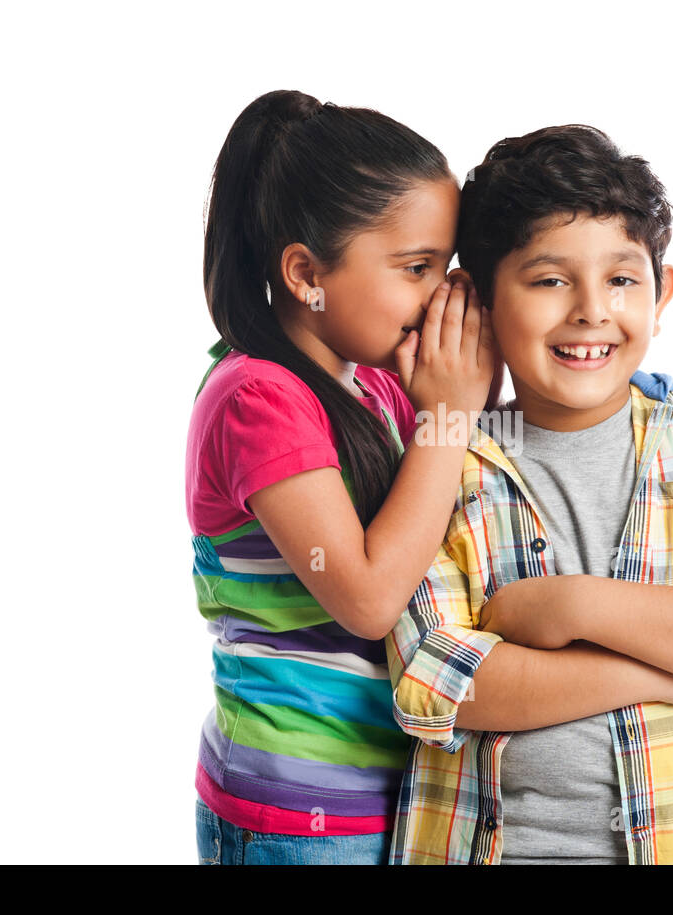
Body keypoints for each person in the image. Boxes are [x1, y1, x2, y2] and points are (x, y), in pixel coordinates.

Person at [385, 125, 673, 864]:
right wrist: (664, 671)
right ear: (480, 301)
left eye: (622, 279)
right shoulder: (444, 463)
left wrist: (574, 606)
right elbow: (438, 684)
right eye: (549, 280)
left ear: (663, 295)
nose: (592, 310)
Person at [187, 90, 498, 864]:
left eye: (446, 268)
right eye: (415, 268)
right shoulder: (258, 398)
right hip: (293, 818)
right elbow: (365, 597)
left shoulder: (379, 387)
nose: (438, 295)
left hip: (394, 804)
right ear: (306, 274)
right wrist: (448, 418)